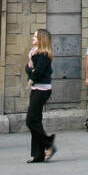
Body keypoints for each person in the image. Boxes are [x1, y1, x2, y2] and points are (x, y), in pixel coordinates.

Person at [26, 29, 58, 162]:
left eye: (34, 36)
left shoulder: (44, 55)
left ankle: (48, 143)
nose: (32, 37)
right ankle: (38, 154)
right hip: (36, 88)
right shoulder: (34, 53)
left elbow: (37, 72)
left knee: (30, 120)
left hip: (42, 90)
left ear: (41, 39)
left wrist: (32, 74)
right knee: (36, 120)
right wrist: (31, 71)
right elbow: (28, 69)